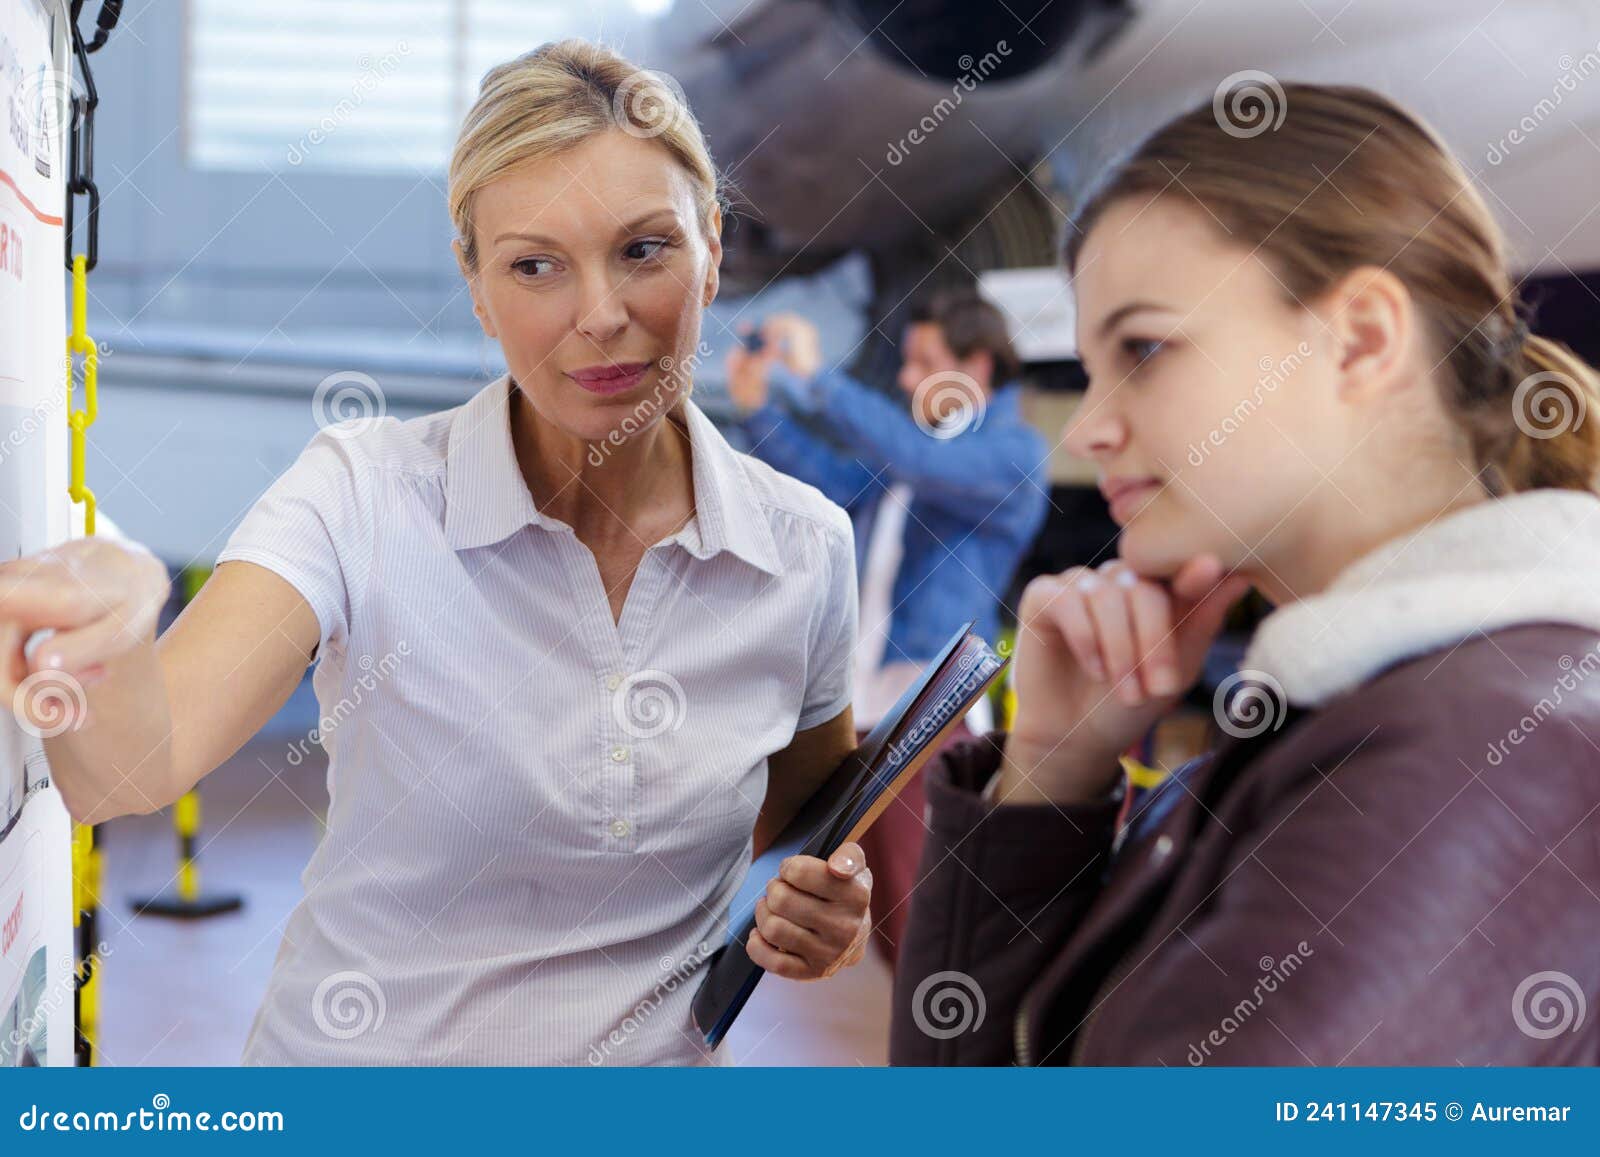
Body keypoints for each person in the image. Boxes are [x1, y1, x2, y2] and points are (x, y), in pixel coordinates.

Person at [3, 39, 876, 1066]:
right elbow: (131, 772)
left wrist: (823, 915)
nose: (601, 315)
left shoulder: (803, 549)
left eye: (644, 249)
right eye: (534, 265)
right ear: (476, 283)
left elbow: (798, 844)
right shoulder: (361, 494)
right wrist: (102, 634)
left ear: (713, 246)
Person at [891, 82, 1600, 1065]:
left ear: (1361, 339)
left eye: (1144, 349)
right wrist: (1051, 772)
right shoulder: (1348, 722)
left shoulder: (1481, 755)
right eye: (1092, 367)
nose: (1090, 427)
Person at [725, 293, 1050, 963]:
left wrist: (817, 379)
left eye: (923, 362)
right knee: (879, 912)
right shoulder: (908, 455)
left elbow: (917, 460)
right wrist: (759, 408)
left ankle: (949, 1025)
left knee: (923, 910)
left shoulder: (1012, 454)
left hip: (931, 710)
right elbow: (826, 484)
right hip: (867, 704)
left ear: (975, 368)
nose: (905, 378)